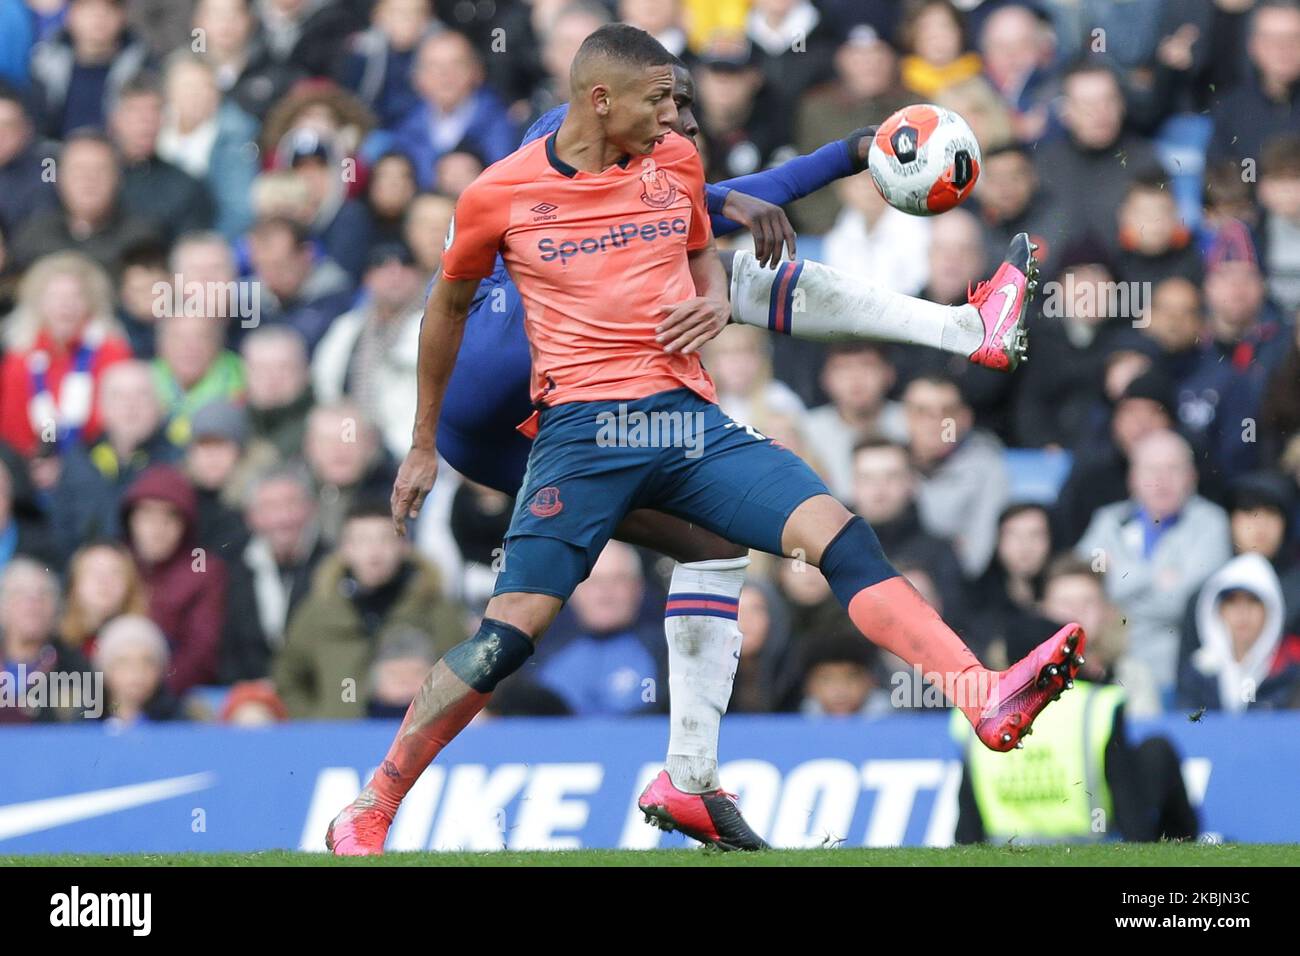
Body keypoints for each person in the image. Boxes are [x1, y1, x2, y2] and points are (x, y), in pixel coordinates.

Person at [328, 25, 1083, 857]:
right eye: (662, 101)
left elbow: (702, 241)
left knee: (824, 531)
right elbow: (445, 307)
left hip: (682, 424)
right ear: (599, 102)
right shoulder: (504, 193)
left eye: (680, 103)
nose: (678, 121)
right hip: (561, 430)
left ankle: (976, 695)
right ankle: (372, 803)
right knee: (508, 636)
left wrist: (731, 268)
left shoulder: (672, 167)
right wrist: (423, 443)